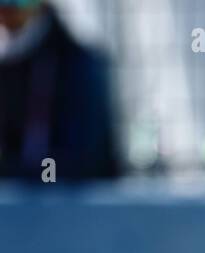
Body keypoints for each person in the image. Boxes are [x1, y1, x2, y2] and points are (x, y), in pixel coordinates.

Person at [0, 0, 119, 180]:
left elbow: (81, 164)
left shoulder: (76, 65)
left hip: (62, 201)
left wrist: (18, 172)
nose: (6, 12)